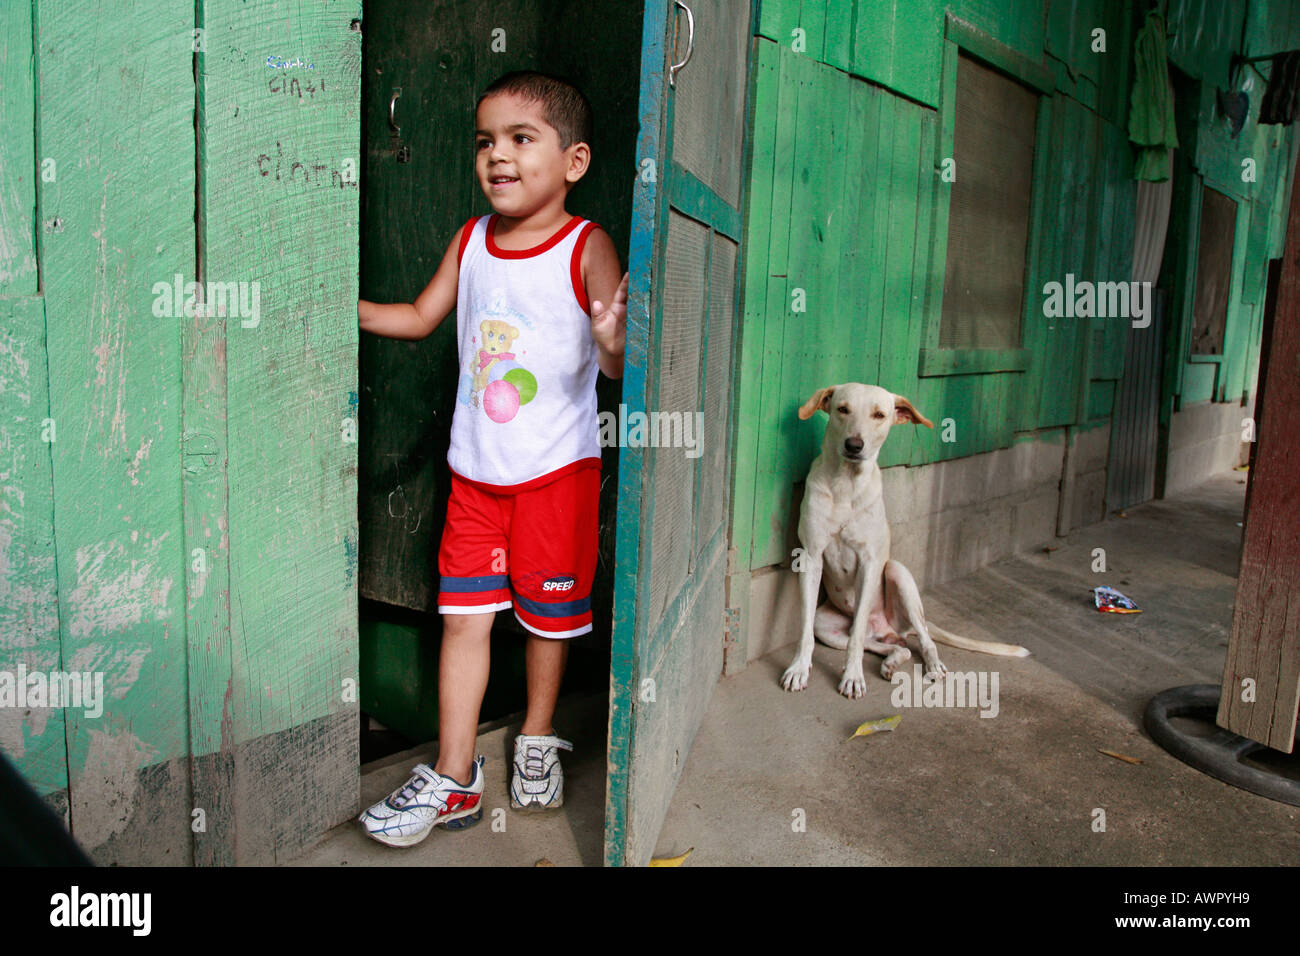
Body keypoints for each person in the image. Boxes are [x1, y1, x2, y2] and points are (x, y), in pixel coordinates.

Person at [355, 70, 627, 848]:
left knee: (549, 618)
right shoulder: (472, 240)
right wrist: (339, 306)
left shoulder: (587, 244)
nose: (497, 157)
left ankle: (537, 734)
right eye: (485, 142)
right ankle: (454, 776)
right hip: (475, 476)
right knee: (463, 620)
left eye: (520, 139)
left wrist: (613, 340)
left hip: (554, 478)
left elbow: (613, 366)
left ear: (573, 161)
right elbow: (418, 316)